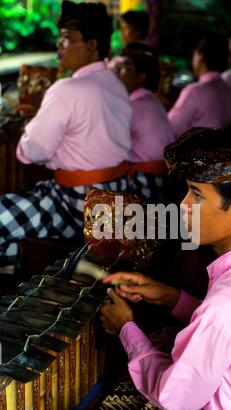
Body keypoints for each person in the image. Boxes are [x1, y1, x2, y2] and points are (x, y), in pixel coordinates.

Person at [68, 126, 231, 410]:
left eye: (197, 195)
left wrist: (126, 329)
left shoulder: (227, 304)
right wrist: (171, 297)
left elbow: (175, 395)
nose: (183, 205)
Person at [0, 1, 131, 273]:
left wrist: (30, 128)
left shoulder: (67, 89)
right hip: (116, 200)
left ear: (92, 45)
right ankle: (12, 278)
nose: (60, 44)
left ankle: (10, 283)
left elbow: (31, 152)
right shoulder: (116, 85)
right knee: (20, 206)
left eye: (67, 38)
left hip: (76, 205)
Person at [116, 42, 174, 201]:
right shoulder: (151, 101)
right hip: (163, 181)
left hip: (145, 182)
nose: (117, 73)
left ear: (140, 76)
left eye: (125, 68)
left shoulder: (135, 105)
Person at [168, 33, 231, 139]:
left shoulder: (194, 92)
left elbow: (170, 130)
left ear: (200, 56)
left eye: (194, 54)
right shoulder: (229, 91)